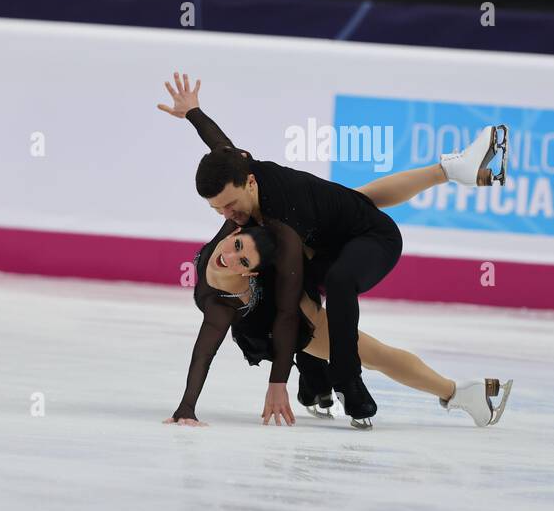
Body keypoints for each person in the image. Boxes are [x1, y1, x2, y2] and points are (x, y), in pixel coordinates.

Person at [158, 73, 510, 428]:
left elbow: (288, 301)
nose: (228, 218)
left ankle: (348, 379)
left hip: (358, 244)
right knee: (351, 203)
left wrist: (279, 380)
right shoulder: (240, 221)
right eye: (218, 211)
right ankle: (453, 169)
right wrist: (194, 114)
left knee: (348, 267)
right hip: (310, 269)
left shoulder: (274, 221)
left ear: (250, 181)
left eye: (231, 206)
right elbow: (223, 150)